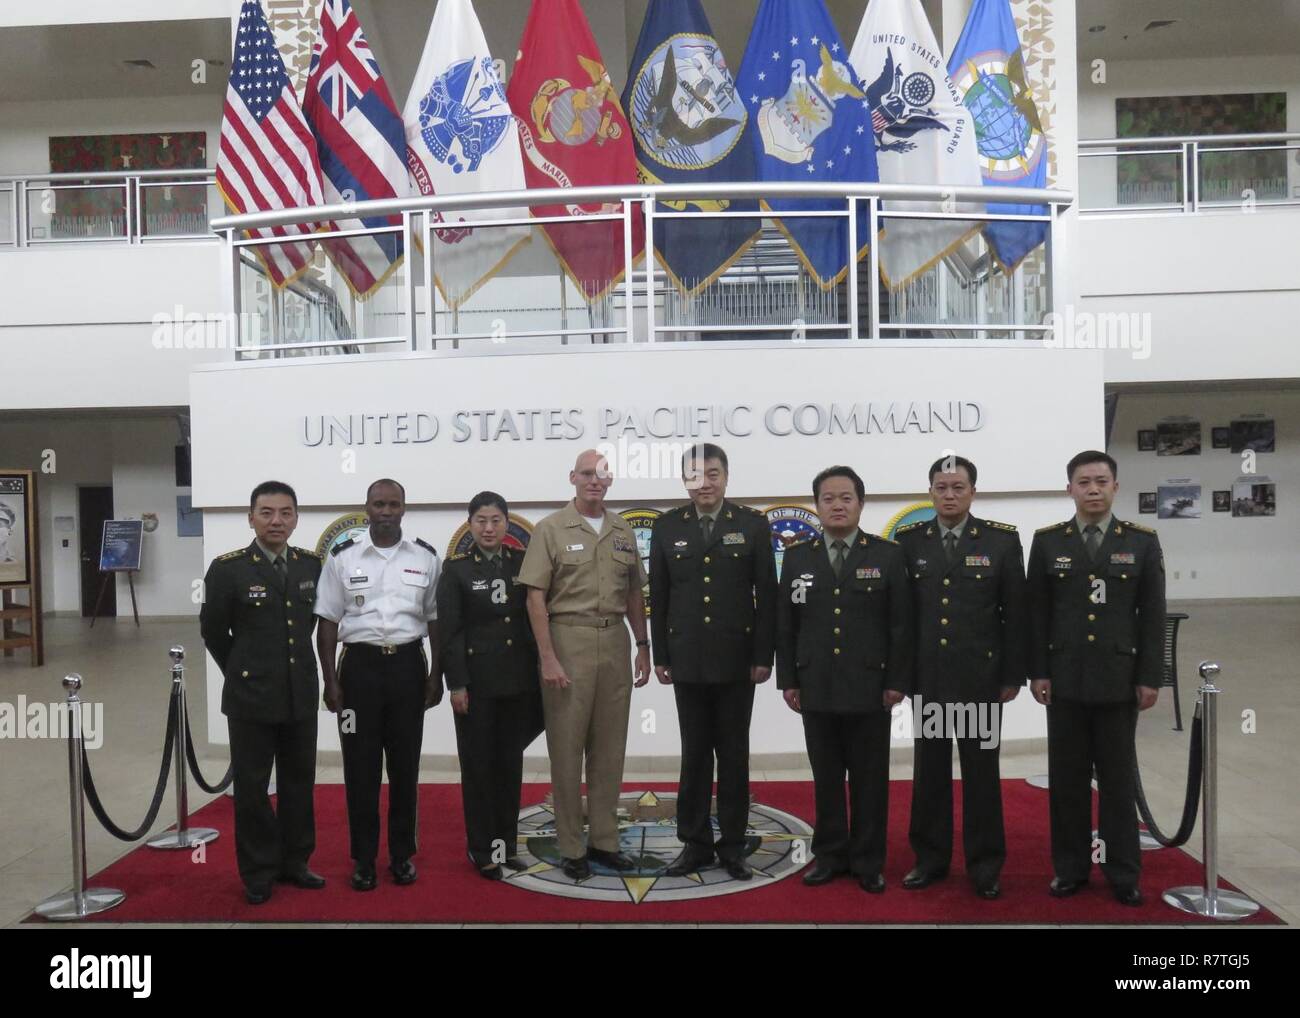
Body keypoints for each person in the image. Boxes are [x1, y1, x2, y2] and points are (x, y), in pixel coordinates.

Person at [1027, 450, 1165, 906]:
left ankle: (1123, 872)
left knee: (1117, 783)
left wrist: (1150, 677)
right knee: (1066, 782)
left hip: (1118, 680)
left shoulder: (1142, 542)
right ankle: (1070, 869)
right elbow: (1038, 614)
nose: (1092, 489)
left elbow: (1152, 616)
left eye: (1101, 481)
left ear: (1115, 487)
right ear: (1069, 489)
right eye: (1083, 482)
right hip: (1064, 680)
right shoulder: (1049, 542)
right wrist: (1039, 671)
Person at [894, 455, 1027, 900]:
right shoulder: (911, 542)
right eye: (941, 487)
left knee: (981, 776)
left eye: (957, 487)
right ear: (929, 491)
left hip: (979, 681)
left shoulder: (1000, 542)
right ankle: (929, 859)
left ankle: (985, 865)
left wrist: (1012, 675)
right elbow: (902, 620)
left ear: (973, 491)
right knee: (929, 774)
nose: (949, 495)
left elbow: (1015, 615)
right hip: (929, 680)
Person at [776, 466, 912, 893]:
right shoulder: (798, 556)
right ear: (817, 506)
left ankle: (869, 861)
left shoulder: (887, 555)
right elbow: (787, 622)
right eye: (828, 498)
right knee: (827, 777)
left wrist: (896, 680)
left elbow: (900, 625)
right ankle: (830, 855)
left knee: (871, 780)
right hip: (816, 684)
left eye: (846, 497)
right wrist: (789, 679)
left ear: (860, 503)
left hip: (871, 687)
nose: (837, 504)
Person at [518, 449, 650, 880]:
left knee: (609, 750)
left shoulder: (622, 530)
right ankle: (572, 846)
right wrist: (548, 657)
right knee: (566, 750)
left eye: (602, 474)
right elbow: (535, 596)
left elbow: (634, 593)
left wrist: (643, 645)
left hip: (614, 639)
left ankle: (605, 841)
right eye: (587, 473)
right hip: (567, 639)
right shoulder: (550, 529)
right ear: (572, 477)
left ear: (610, 481)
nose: (595, 480)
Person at [649, 443, 776, 880]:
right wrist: (661, 654)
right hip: (686, 661)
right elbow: (659, 596)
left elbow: (767, 595)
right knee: (695, 756)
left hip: (738, 662)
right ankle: (695, 844)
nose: (705, 482)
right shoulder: (667, 527)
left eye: (714, 473)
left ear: (726, 476)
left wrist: (764, 655)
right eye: (696, 474)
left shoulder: (753, 525)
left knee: (735, 756)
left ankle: (734, 846)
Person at [199, 480, 324, 904]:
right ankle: (258, 870)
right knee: (252, 789)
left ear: (296, 517)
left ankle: (296, 861)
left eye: (285, 512)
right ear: (250, 517)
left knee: (298, 783)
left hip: (299, 694)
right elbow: (213, 630)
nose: (277, 520)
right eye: (267, 512)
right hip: (251, 697)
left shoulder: (310, 565)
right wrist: (242, 669)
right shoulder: (229, 568)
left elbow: (308, 626)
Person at [314, 478, 442, 891]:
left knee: (405, 767)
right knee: (360, 767)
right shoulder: (343, 559)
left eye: (393, 504)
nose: (386, 511)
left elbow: (436, 621)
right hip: (358, 674)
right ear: (366, 508)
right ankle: (364, 859)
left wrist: (435, 674)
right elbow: (328, 622)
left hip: (407, 668)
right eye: (378, 504)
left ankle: (402, 855)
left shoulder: (425, 558)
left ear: (404, 508)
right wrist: (330, 679)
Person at [437, 491, 543, 880]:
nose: (488, 527)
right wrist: (457, 685)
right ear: (470, 524)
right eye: (481, 520)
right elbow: (450, 632)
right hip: (476, 687)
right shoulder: (456, 570)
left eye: (496, 520)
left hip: (516, 683)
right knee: (479, 770)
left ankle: (505, 847)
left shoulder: (522, 562)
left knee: (509, 768)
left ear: (506, 524)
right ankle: (481, 849)